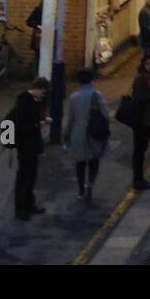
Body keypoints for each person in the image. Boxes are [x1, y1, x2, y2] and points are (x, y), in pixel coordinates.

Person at [63, 68, 110, 201]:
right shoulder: (97, 95)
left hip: (78, 133)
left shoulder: (73, 98)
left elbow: (70, 119)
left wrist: (66, 135)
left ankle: (81, 189)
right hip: (94, 133)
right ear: (92, 80)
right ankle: (90, 185)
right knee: (94, 161)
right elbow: (105, 115)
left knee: (80, 163)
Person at [9, 77, 49, 220]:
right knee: (24, 178)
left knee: (30, 176)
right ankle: (21, 208)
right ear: (37, 89)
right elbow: (24, 127)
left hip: (31, 147)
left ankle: (28, 204)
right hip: (25, 147)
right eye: (43, 93)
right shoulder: (25, 102)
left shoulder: (30, 101)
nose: (43, 96)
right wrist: (40, 124)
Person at [130, 54, 150, 190]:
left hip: (148, 118)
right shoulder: (140, 79)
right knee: (139, 150)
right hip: (141, 119)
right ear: (143, 65)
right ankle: (138, 180)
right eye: (147, 64)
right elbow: (139, 97)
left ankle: (140, 179)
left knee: (142, 149)